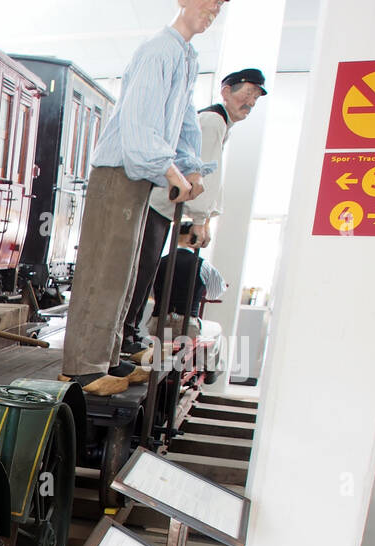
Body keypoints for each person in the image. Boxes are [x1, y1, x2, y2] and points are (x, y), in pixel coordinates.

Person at [59, 0, 223, 396]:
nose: (214, 9)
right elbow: (139, 126)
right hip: (119, 171)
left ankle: (108, 356)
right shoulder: (159, 51)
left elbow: (184, 124)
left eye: (219, 5)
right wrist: (170, 171)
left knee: (125, 274)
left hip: (139, 177)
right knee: (104, 271)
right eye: (208, 1)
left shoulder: (185, 57)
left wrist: (192, 169)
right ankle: (82, 368)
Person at [120, 67, 266, 359]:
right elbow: (205, 176)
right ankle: (125, 334)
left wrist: (205, 217)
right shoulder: (213, 122)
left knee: (145, 272)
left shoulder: (218, 123)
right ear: (226, 90)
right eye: (246, 93)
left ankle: (129, 331)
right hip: (158, 203)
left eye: (255, 97)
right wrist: (201, 221)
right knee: (142, 271)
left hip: (163, 204)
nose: (249, 101)